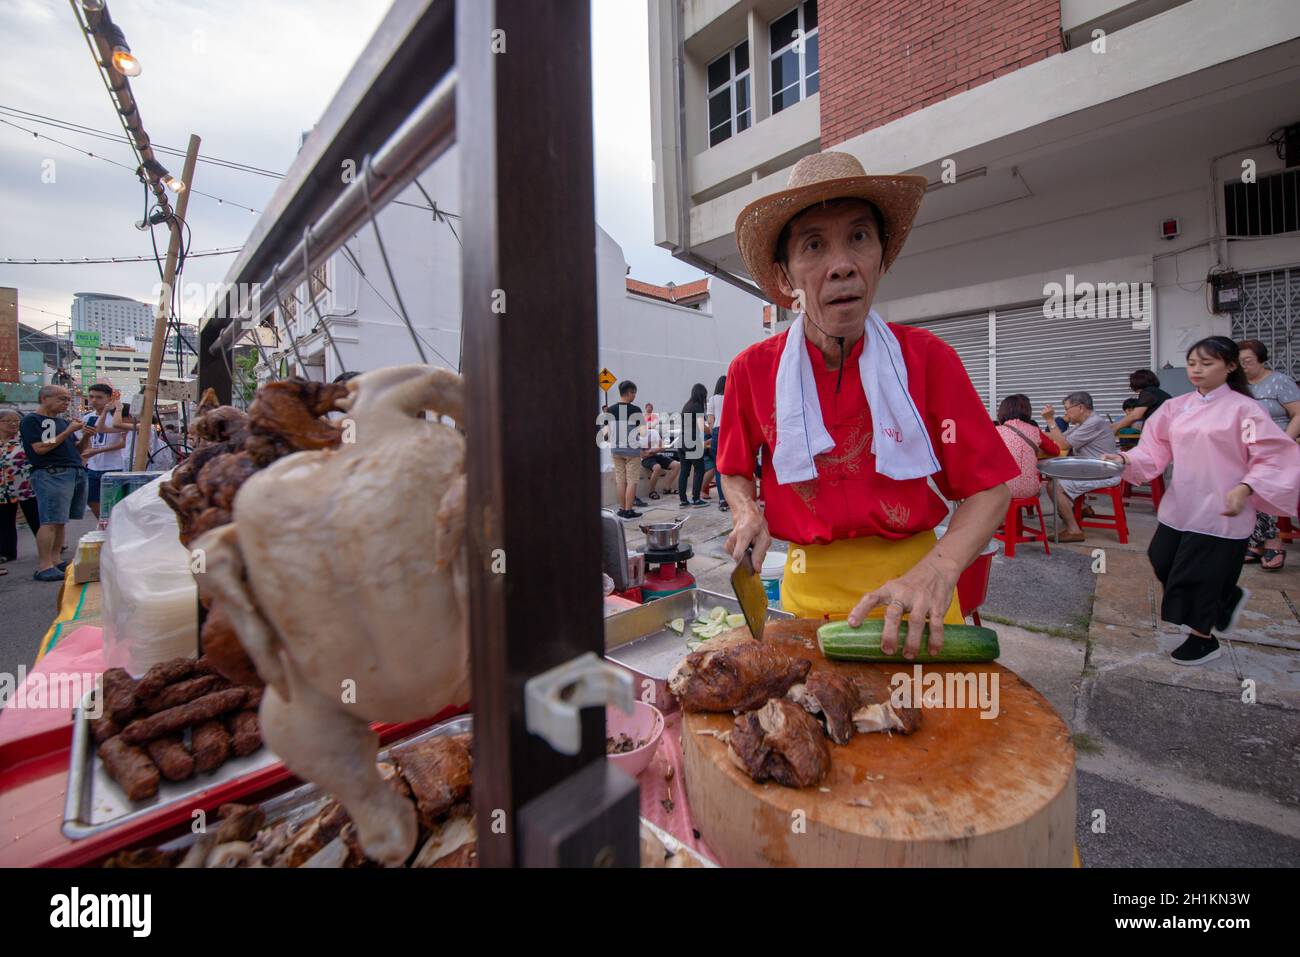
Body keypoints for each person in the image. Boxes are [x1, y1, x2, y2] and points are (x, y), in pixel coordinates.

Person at [718, 150, 1016, 658]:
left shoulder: (928, 359)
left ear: (881, 257)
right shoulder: (751, 370)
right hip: (807, 594)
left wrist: (939, 572)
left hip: (917, 596)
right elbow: (734, 469)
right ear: (786, 275)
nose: (841, 267)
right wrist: (746, 511)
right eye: (814, 245)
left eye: (858, 238)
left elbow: (990, 490)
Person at [1103, 337, 1299, 664]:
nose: (1196, 370)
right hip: (1183, 502)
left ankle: (1203, 638)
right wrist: (1125, 460)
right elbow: (1153, 451)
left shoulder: (1244, 410)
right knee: (1162, 558)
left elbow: (1269, 456)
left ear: (1230, 367)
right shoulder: (1175, 408)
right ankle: (1227, 596)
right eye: (1193, 362)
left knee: (1199, 576)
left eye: (1206, 364)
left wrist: (1246, 487)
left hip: (1224, 507)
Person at [1237, 339, 1300, 571]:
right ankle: (1255, 543)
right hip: (1249, 446)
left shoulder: (1280, 382)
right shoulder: (1240, 386)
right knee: (1240, 484)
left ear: (1262, 360)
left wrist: (1284, 442)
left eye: (1248, 361)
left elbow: (1297, 414)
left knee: (1261, 485)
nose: (1243, 366)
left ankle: (1273, 542)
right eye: (1239, 362)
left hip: (1279, 446)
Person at [19, 385, 90, 581]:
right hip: (51, 472)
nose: (66, 403)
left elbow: (77, 449)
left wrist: (86, 435)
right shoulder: (32, 420)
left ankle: (56, 559)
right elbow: (40, 448)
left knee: (60, 520)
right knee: (50, 520)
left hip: (72, 470)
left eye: (67, 399)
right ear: (44, 398)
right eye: (62, 399)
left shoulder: (60, 422)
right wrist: (68, 431)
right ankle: (44, 565)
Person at [1039, 391, 1120, 543]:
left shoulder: (1094, 423)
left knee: (1053, 485)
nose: (1066, 414)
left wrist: (1050, 420)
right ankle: (1081, 507)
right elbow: (1061, 438)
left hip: (1102, 472)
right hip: (1092, 469)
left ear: (1080, 407)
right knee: (1053, 474)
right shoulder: (1086, 423)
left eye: (1067, 409)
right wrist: (1034, 433)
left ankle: (1073, 529)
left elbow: (1062, 443)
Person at [994, 394, 1060, 500]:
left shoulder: (995, 432)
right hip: (1031, 489)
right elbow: (1055, 451)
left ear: (1002, 412)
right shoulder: (1035, 431)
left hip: (1003, 490)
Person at [81, 383, 129, 519]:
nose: (94, 400)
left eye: (99, 397)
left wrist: (97, 451)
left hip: (114, 465)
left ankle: (113, 525)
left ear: (109, 398)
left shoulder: (117, 416)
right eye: (91, 397)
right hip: (93, 466)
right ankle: (103, 524)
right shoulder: (87, 417)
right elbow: (87, 443)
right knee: (92, 500)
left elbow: (124, 442)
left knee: (115, 500)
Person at [0, 409, 40, 573]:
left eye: (16, 420)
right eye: (8, 421)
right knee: (4, 521)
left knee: (35, 517)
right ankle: (6, 552)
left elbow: (45, 446)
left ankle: (50, 547)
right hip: (3, 489)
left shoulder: (25, 439)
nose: (13, 423)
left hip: (25, 485)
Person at [606, 380, 644, 519]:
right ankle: (629, 510)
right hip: (631, 451)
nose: (634, 396)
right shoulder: (635, 410)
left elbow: (607, 431)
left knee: (620, 480)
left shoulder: (610, 410)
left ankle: (622, 509)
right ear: (628, 393)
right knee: (632, 480)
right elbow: (642, 431)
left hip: (615, 450)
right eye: (633, 393)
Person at [1110, 369, 1171, 436]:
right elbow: (1140, 416)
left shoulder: (1148, 392)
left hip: (1160, 432)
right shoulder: (1158, 392)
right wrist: (1114, 425)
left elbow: (1135, 416)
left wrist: (1115, 428)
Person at [678, 383, 710, 508]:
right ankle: (696, 499)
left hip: (681, 441)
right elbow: (702, 427)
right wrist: (713, 431)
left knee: (684, 471)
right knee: (700, 470)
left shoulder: (687, 405)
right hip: (692, 441)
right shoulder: (697, 406)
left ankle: (683, 501)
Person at [638, 416, 679, 499]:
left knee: (677, 465)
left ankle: (667, 488)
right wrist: (655, 450)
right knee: (657, 467)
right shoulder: (636, 438)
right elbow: (643, 455)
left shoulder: (653, 432)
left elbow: (663, 448)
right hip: (645, 460)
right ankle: (652, 491)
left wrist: (653, 451)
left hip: (656, 455)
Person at [705, 375, 729, 511]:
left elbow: (710, 420)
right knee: (731, 467)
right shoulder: (732, 398)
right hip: (730, 432)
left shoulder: (712, 399)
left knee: (718, 467)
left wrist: (713, 432)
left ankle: (722, 499)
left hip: (717, 432)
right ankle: (734, 498)